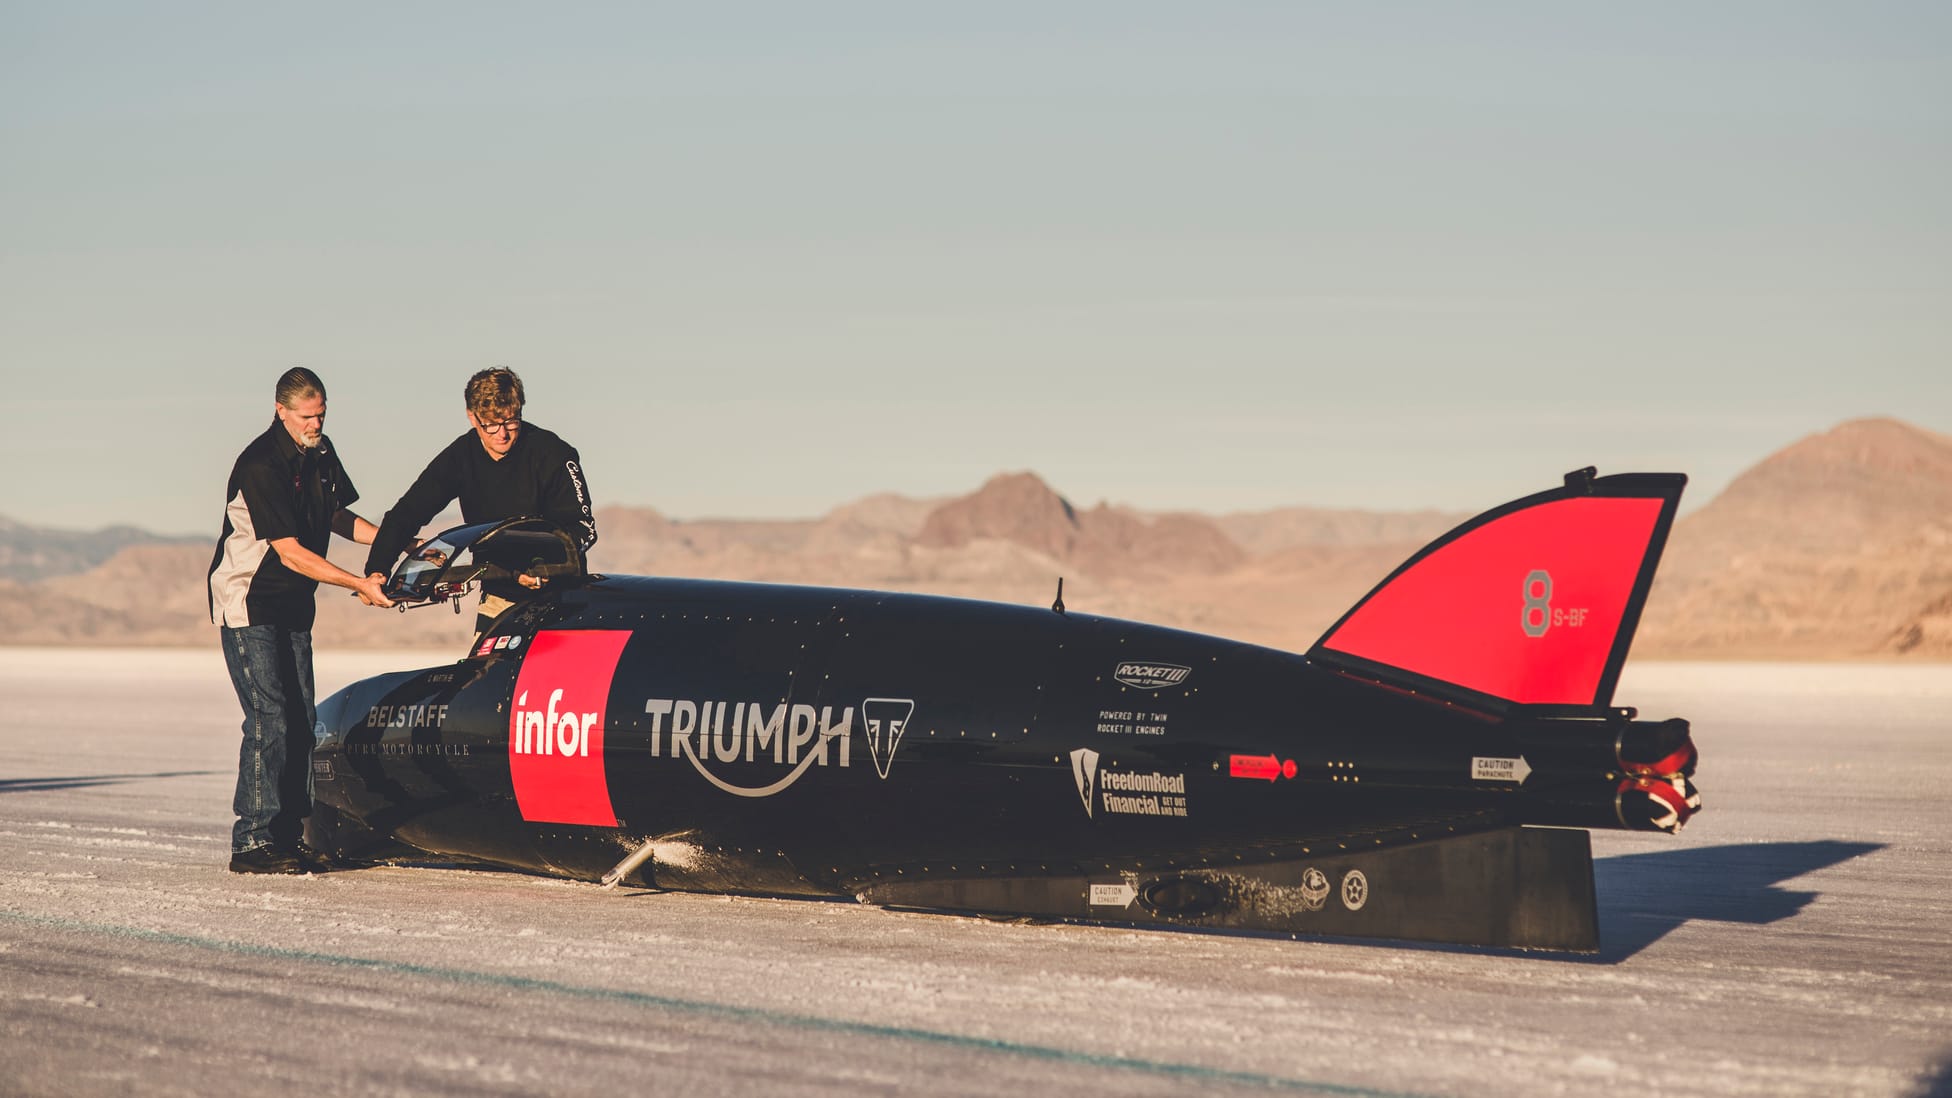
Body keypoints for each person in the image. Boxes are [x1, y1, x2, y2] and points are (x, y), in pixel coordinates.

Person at [209, 368, 393, 875]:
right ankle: (252, 842)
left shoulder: (321, 452)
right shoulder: (261, 463)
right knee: (270, 717)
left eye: (322, 414)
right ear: (281, 410)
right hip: (251, 602)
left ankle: (286, 837)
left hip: (293, 605)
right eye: (308, 416)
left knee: (299, 721)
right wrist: (358, 583)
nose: (316, 423)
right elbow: (289, 552)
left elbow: (337, 517)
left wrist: (398, 543)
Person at [363, 367, 596, 637]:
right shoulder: (460, 457)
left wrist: (541, 568)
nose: (502, 434)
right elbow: (405, 515)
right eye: (491, 424)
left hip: (562, 601)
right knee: (487, 676)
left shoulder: (553, 453)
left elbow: (583, 529)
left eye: (511, 422)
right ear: (472, 417)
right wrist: (377, 569)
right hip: (499, 601)